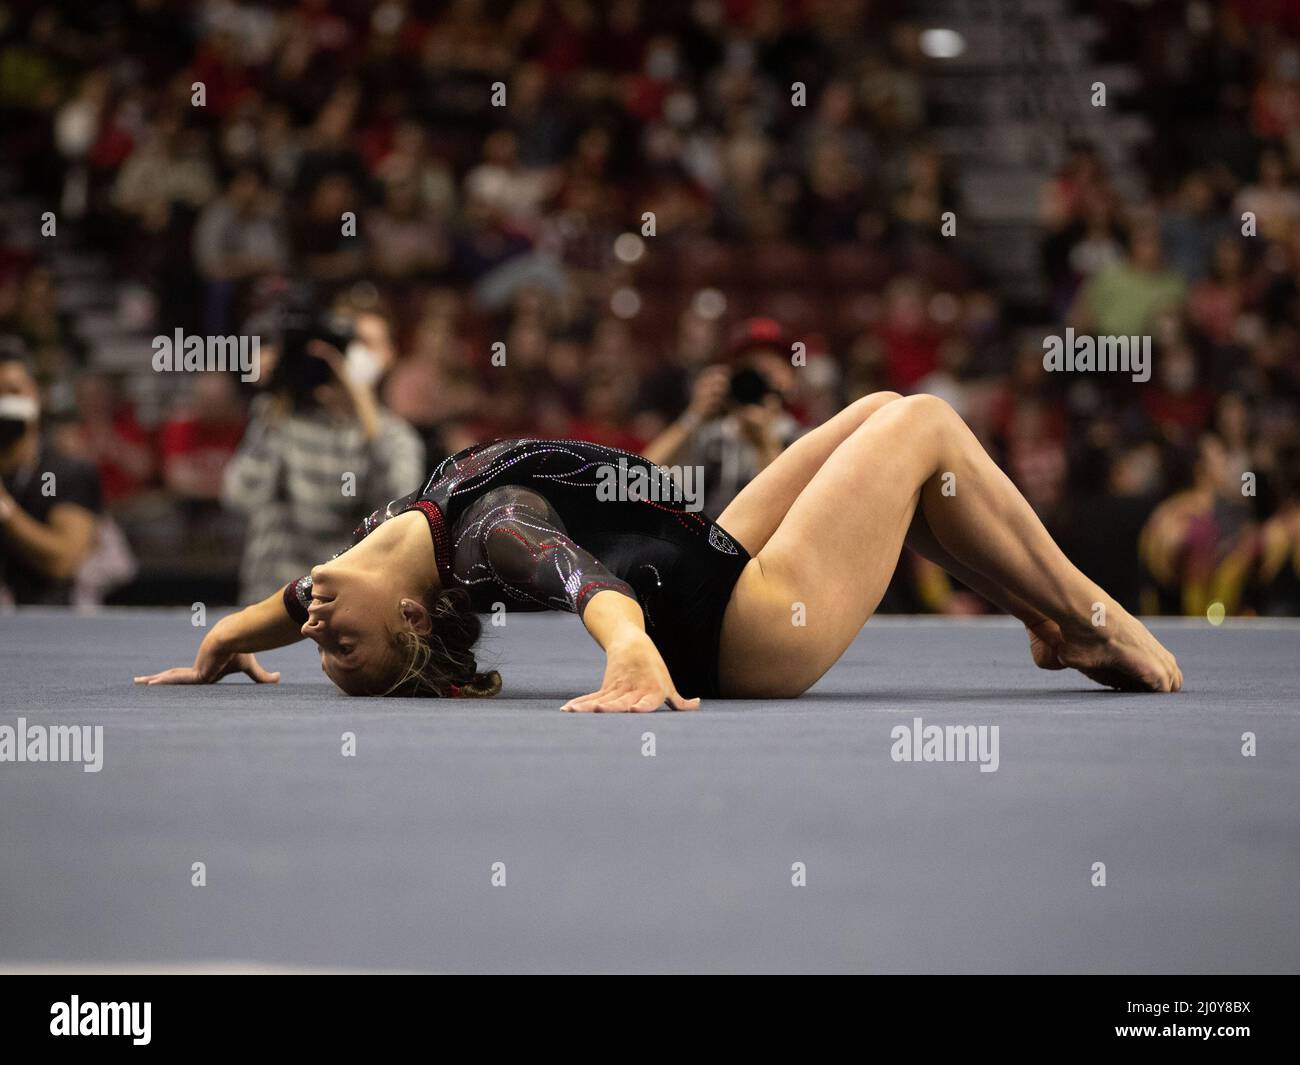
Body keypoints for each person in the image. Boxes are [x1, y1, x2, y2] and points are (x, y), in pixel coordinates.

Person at [137, 393, 1183, 705]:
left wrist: (228, 637)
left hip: (712, 553)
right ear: (413, 621)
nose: (318, 628)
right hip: (750, 623)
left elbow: (305, 594)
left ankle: (1046, 626)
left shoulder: (385, 547)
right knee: (926, 428)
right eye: (342, 652)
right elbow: (590, 591)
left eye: (317, 633)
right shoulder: (493, 536)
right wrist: (630, 658)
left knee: (875, 407)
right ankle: (1097, 617)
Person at [0, 347, 102, 605]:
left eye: (13, 391)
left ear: (36, 395)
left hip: (48, 624)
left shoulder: (69, 473)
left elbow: (64, 561)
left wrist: (6, 511)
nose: (4, 403)